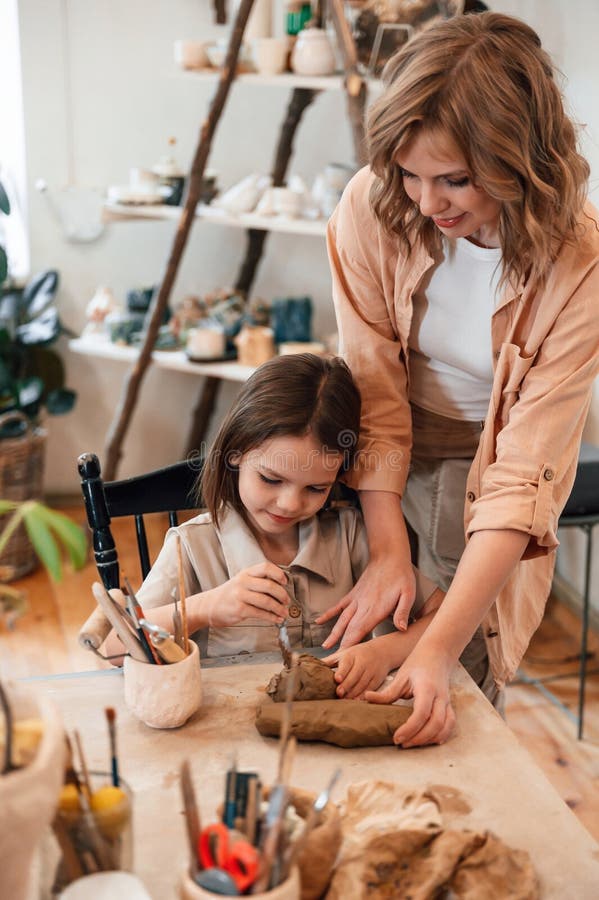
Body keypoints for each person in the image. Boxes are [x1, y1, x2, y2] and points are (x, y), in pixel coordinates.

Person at [319, 11, 599, 748]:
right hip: (389, 446)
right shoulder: (370, 205)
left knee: (456, 679)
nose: (425, 203)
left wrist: (437, 650)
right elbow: (373, 388)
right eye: (408, 174)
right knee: (357, 632)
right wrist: (386, 550)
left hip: (492, 463)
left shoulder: (581, 262)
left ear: (519, 160)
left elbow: (519, 473)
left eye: (455, 180)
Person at [104, 353, 442, 662]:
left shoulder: (352, 536)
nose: (291, 503)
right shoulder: (192, 547)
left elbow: (443, 613)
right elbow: (114, 649)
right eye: (270, 479)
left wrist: (384, 652)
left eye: (316, 487)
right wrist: (204, 609)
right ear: (234, 454)